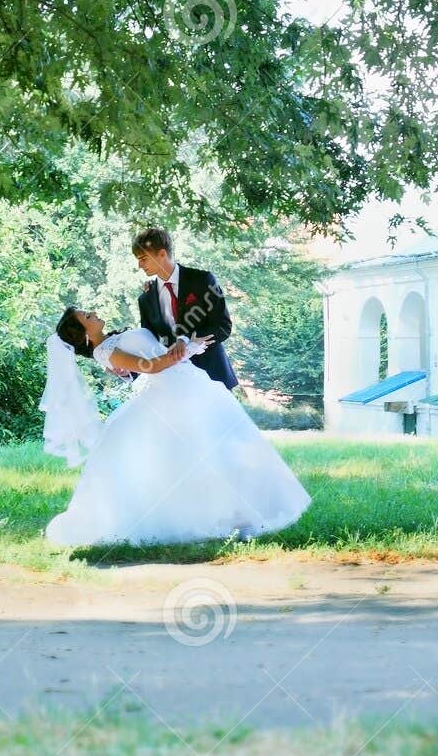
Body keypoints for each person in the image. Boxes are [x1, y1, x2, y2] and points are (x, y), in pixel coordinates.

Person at [41, 306, 310, 549]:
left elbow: (146, 359)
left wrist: (182, 346)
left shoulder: (112, 340)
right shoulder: (104, 351)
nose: (93, 312)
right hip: (172, 394)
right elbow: (152, 367)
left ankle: (235, 511)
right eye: (87, 316)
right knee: (201, 452)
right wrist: (189, 348)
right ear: (83, 333)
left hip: (185, 383)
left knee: (218, 448)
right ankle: (218, 515)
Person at [133, 225, 238, 390]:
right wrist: (128, 371)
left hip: (214, 378)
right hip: (176, 383)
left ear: (162, 254)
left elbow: (223, 327)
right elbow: (149, 343)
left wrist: (186, 340)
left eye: (143, 258)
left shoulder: (202, 280)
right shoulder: (145, 299)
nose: (139, 265)